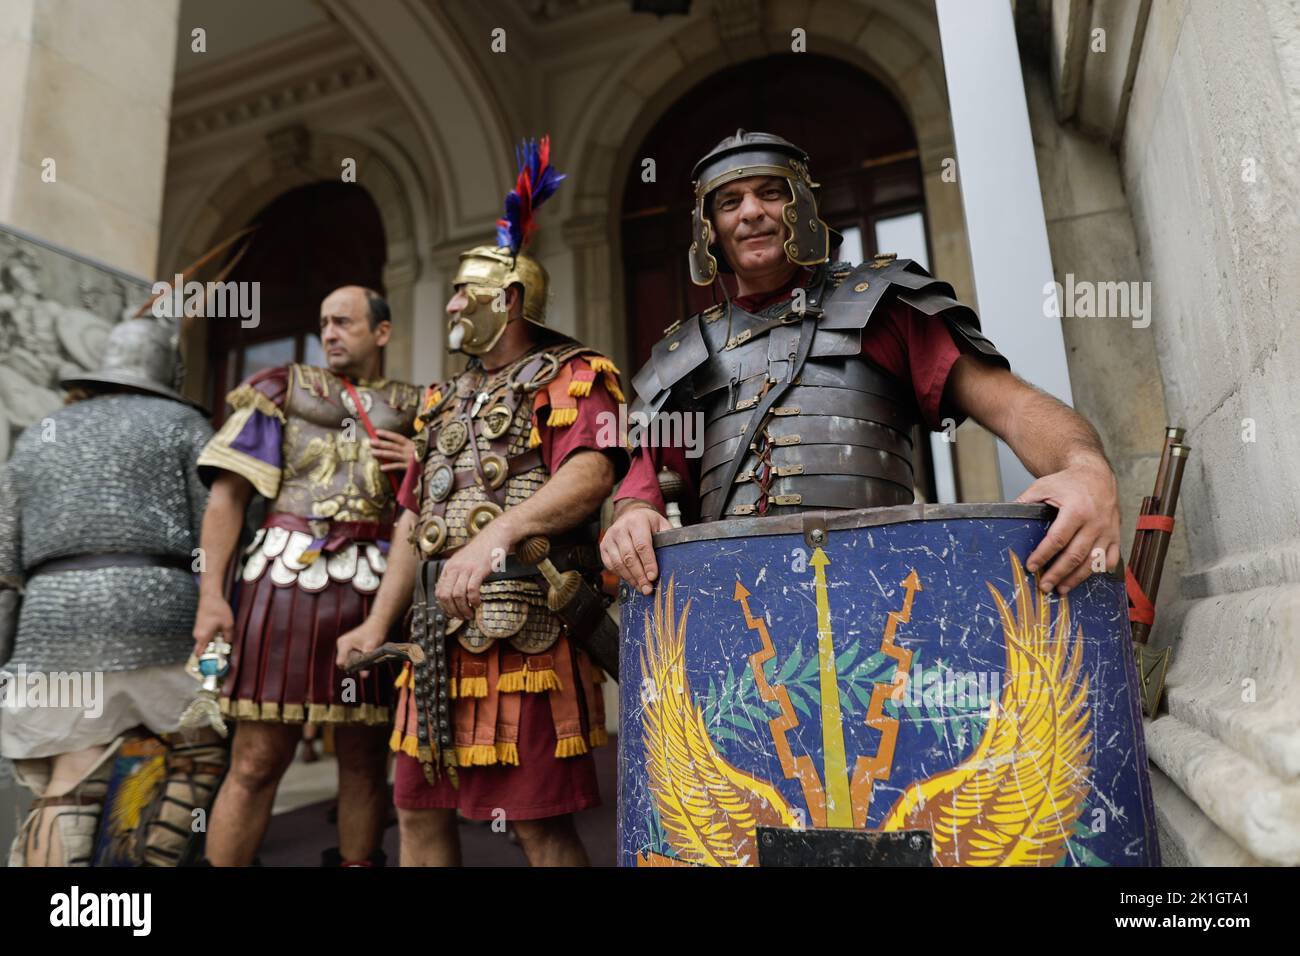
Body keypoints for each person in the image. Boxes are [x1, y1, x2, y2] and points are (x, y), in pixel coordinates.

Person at [602, 130, 1120, 598]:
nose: (751, 211)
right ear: (709, 228)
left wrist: (1083, 468)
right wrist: (631, 516)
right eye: (730, 201)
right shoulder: (684, 358)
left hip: (885, 594)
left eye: (772, 192)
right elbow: (639, 492)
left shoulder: (883, 305)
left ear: (801, 205)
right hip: (740, 617)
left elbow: (1011, 405)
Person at [336, 139, 626, 866]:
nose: (454, 304)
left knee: (536, 825)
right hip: (434, 639)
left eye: (466, 292)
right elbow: (413, 519)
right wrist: (376, 621)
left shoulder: (577, 373)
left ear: (513, 299)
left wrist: (492, 539)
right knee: (416, 814)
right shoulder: (441, 400)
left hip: (524, 629)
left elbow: (590, 474)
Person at [192, 285, 420, 867]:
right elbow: (227, 498)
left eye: (344, 322)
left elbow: (432, 508)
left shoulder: (421, 405)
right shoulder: (280, 389)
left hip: (374, 593)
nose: (331, 333)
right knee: (255, 759)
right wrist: (211, 597)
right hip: (281, 586)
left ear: (382, 332)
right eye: (324, 323)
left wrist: (421, 463)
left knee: (366, 760)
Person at [0, 317, 225, 866]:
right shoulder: (184, 424)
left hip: (52, 623)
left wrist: (7, 651)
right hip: (162, 618)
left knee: (72, 771)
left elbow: (5, 560)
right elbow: (217, 530)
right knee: (199, 751)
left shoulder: (40, 433)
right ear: (167, 370)